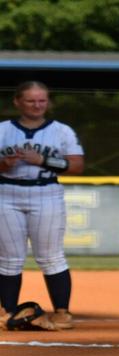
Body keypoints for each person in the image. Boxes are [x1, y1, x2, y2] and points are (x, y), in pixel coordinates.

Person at [0, 81, 84, 330]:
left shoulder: (61, 131)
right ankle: (8, 311)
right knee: (8, 259)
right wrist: (5, 164)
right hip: (6, 192)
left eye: (42, 100)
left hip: (46, 192)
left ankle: (62, 312)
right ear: (17, 102)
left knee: (51, 256)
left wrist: (43, 160)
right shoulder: (3, 130)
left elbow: (77, 167)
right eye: (30, 100)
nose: (37, 105)